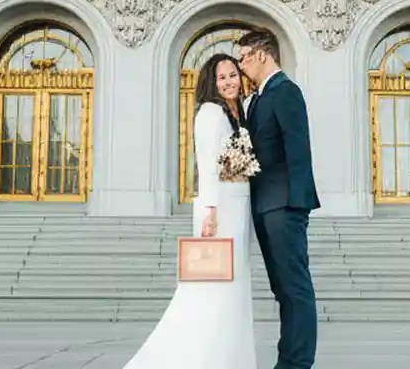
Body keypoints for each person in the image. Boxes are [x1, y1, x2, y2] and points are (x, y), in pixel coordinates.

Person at [123, 53, 257, 369]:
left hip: (239, 203)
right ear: (211, 83)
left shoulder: (238, 112)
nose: (229, 82)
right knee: (213, 290)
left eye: (233, 75)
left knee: (232, 287)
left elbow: (239, 161)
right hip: (220, 207)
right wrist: (210, 210)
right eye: (222, 77)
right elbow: (208, 163)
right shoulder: (210, 113)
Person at [236, 29, 319, 369]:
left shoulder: (286, 92)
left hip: (284, 206)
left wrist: (296, 206)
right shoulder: (257, 97)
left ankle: (297, 363)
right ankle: (288, 359)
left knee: (295, 287)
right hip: (264, 206)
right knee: (282, 289)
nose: (241, 66)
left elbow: (297, 147)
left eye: (242, 58)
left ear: (261, 54)